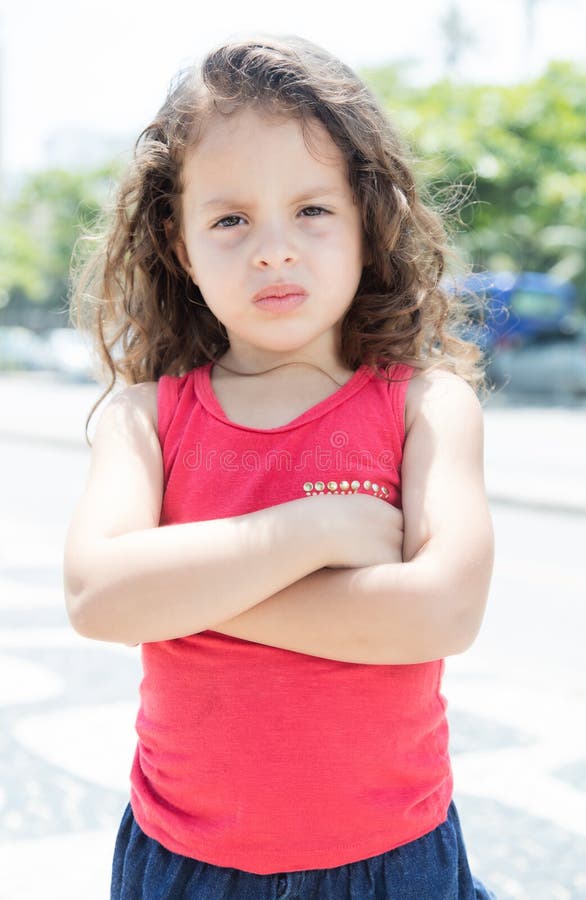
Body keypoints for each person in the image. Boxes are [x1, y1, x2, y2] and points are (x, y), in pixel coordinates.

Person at [64, 34, 496, 900]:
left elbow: (441, 612)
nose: (272, 249)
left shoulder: (425, 407)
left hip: (391, 860)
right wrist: (313, 530)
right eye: (230, 219)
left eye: (312, 210)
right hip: (186, 861)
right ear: (180, 246)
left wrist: (191, 597)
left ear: (368, 225)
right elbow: (98, 599)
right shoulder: (144, 419)